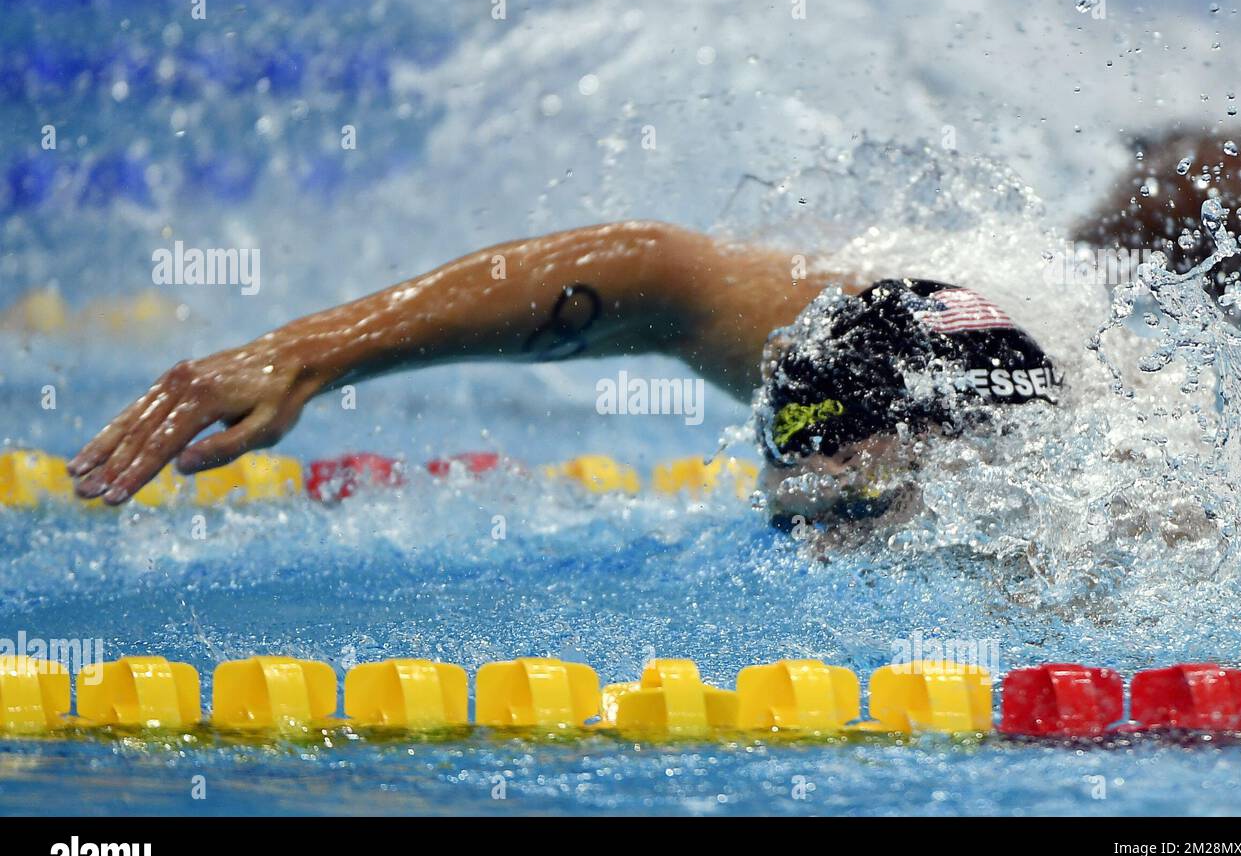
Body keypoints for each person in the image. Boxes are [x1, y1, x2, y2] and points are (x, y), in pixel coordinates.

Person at [66, 220, 1062, 523]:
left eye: (850, 509)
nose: (812, 548)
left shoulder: (1100, 508)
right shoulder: (821, 337)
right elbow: (652, 270)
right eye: (792, 510)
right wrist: (310, 355)